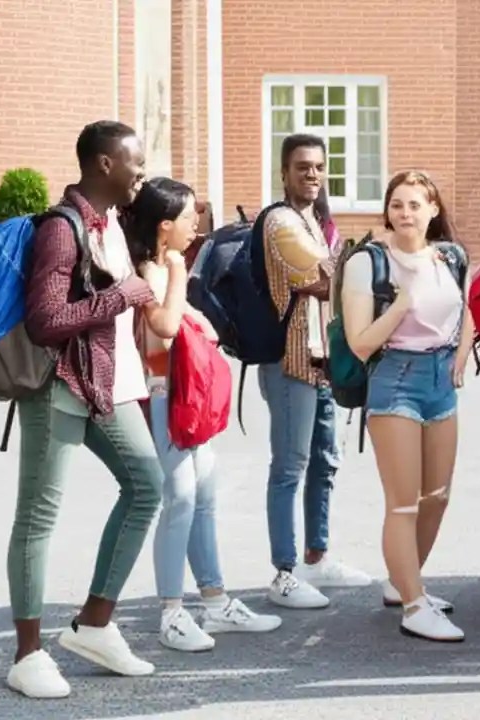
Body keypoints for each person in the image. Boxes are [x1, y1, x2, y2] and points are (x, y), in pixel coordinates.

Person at [6, 120, 162, 699]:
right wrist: (123, 294)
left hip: (103, 387)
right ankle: (27, 654)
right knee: (38, 517)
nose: (141, 171)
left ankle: (96, 622)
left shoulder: (113, 223)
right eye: (134, 161)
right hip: (59, 387)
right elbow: (46, 322)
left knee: (146, 485)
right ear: (103, 164)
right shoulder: (62, 230)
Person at [120, 177, 283, 652]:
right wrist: (175, 274)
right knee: (180, 504)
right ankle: (171, 611)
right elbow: (167, 327)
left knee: (203, 499)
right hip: (161, 398)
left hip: (186, 397)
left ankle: (214, 601)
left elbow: (203, 326)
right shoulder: (149, 271)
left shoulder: (163, 267)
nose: (198, 225)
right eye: (191, 217)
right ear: (165, 225)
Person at [341, 170, 472, 642]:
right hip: (394, 379)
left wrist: (460, 351)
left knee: (437, 497)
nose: (405, 213)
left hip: (441, 380)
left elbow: (466, 305)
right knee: (403, 505)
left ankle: (404, 582)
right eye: (397, 204)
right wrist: (400, 306)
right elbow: (359, 344)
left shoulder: (451, 257)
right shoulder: (369, 263)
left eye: (415, 204)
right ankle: (414, 606)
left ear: (433, 210)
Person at [259, 133, 372, 609]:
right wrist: (351, 266)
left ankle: (316, 556)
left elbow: (337, 273)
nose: (313, 174)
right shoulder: (282, 222)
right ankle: (283, 573)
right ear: (284, 172)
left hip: (323, 360)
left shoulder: (317, 222)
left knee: (325, 462)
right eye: (302, 166)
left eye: (320, 167)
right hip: (290, 362)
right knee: (290, 467)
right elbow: (329, 281)